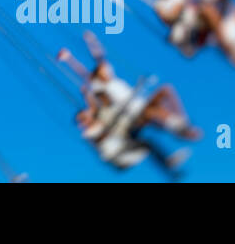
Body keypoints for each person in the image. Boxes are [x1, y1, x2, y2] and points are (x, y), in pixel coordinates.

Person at [58, 32, 199, 172]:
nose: (106, 71)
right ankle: (179, 132)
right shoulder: (99, 87)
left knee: (165, 90)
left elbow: (100, 57)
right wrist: (69, 59)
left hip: (140, 104)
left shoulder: (111, 78)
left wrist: (91, 41)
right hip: (132, 116)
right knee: (151, 114)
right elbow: (83, 73)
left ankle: (182, 124)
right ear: (98, 75)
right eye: (102, 72)